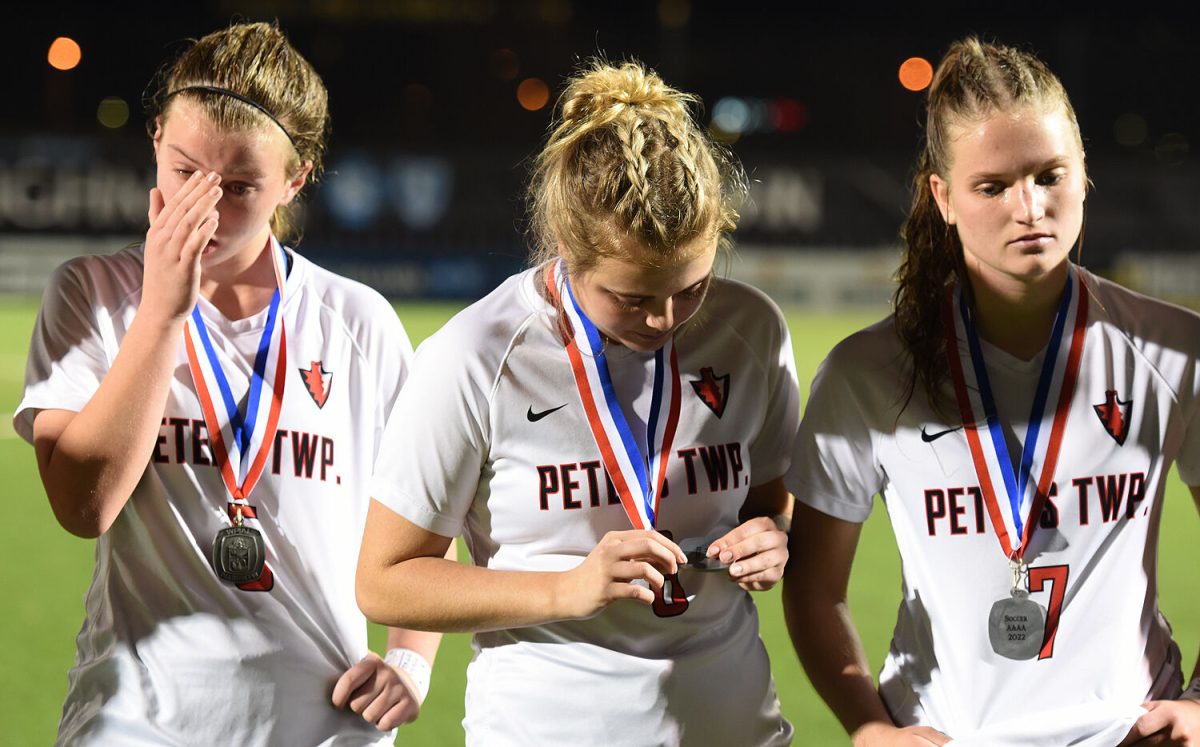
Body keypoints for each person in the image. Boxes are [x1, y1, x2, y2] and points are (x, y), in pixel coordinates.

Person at [15, 21, 444, 745]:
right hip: (135, 723)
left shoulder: (358, 322)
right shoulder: (93, 294)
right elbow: (82, 504)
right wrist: (161, 315)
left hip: (325, 727)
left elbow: (422, 519)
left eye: (241, 186)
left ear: (295, 178)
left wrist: (411, 655)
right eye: (185, 171)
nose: (206, 209)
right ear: (155, 138)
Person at [355, 59, 797, 746]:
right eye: (632, 297)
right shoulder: (477, 353)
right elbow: (386, 580)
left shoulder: (754, 328)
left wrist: (774, 538)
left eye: (692, 287)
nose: (666, 319)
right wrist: (567, 589)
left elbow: (770, 499)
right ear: (567, 248)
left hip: (735, 726)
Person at [782, 37, 1200, 747]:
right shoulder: (867, 373)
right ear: (942, 197)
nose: (1029, 206)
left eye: (1049, 175)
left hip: (1132, 734)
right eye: (993, 185)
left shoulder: (1174, 352)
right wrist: (869, 726)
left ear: (1083, 173)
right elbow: (813, 588)